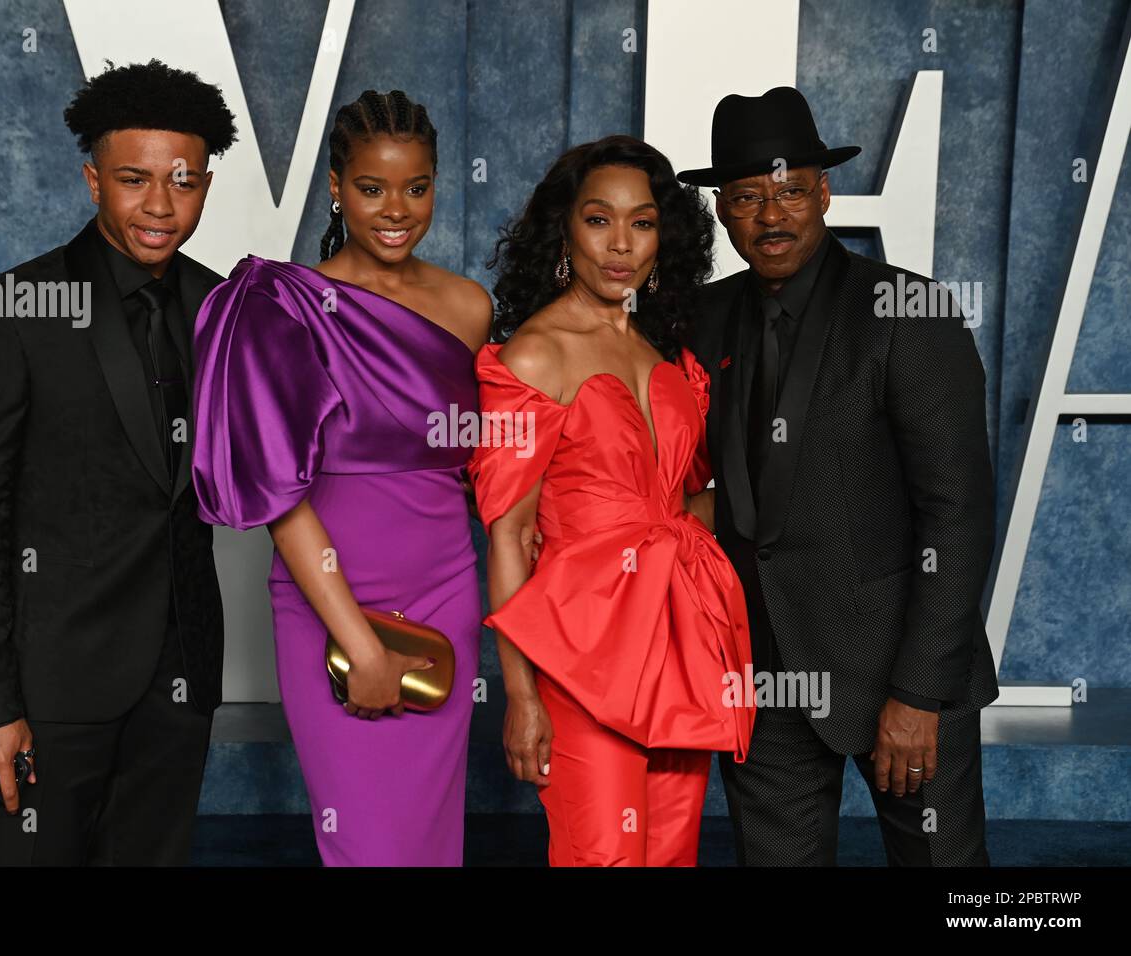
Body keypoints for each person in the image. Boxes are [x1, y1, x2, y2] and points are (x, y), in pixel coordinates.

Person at [679, 86, 998, 866]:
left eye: (791, 190)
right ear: (722, 210)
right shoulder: (699, 318)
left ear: (824, 192)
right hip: (762, 672)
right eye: (748, 197)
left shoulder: (908, 313)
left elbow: (958, 514)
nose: (772, 215)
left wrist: (920, 695)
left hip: (899, 668)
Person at [0, 60, 236, 864]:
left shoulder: (225, 310)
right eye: (134, 179)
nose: (161, 206)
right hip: (43, 694)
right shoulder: (11, 310)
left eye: (184, 181)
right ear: (92, 178)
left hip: (179, 688)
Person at [191, 90, 493, 866]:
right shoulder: (279, 306)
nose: (397, 209)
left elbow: (467, 467)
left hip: (446, 594)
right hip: (331, 604)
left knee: (428, 842)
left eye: (416, 187)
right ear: (335, 185)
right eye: (371, 187)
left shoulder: (466, 305)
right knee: (366, 844)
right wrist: (357, 641)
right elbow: (277, 496)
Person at [468, 134, 755, 867]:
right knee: (605, 856)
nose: (620, 244)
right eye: (599, 219)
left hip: (679, 643)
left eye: (643, 221)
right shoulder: (534, 355)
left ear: (667, 236)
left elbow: (687, 506)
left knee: (671, 853)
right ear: (565, 229)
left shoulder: (670, 359)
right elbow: (509, 534)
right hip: (581, 653)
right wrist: (521, 695)